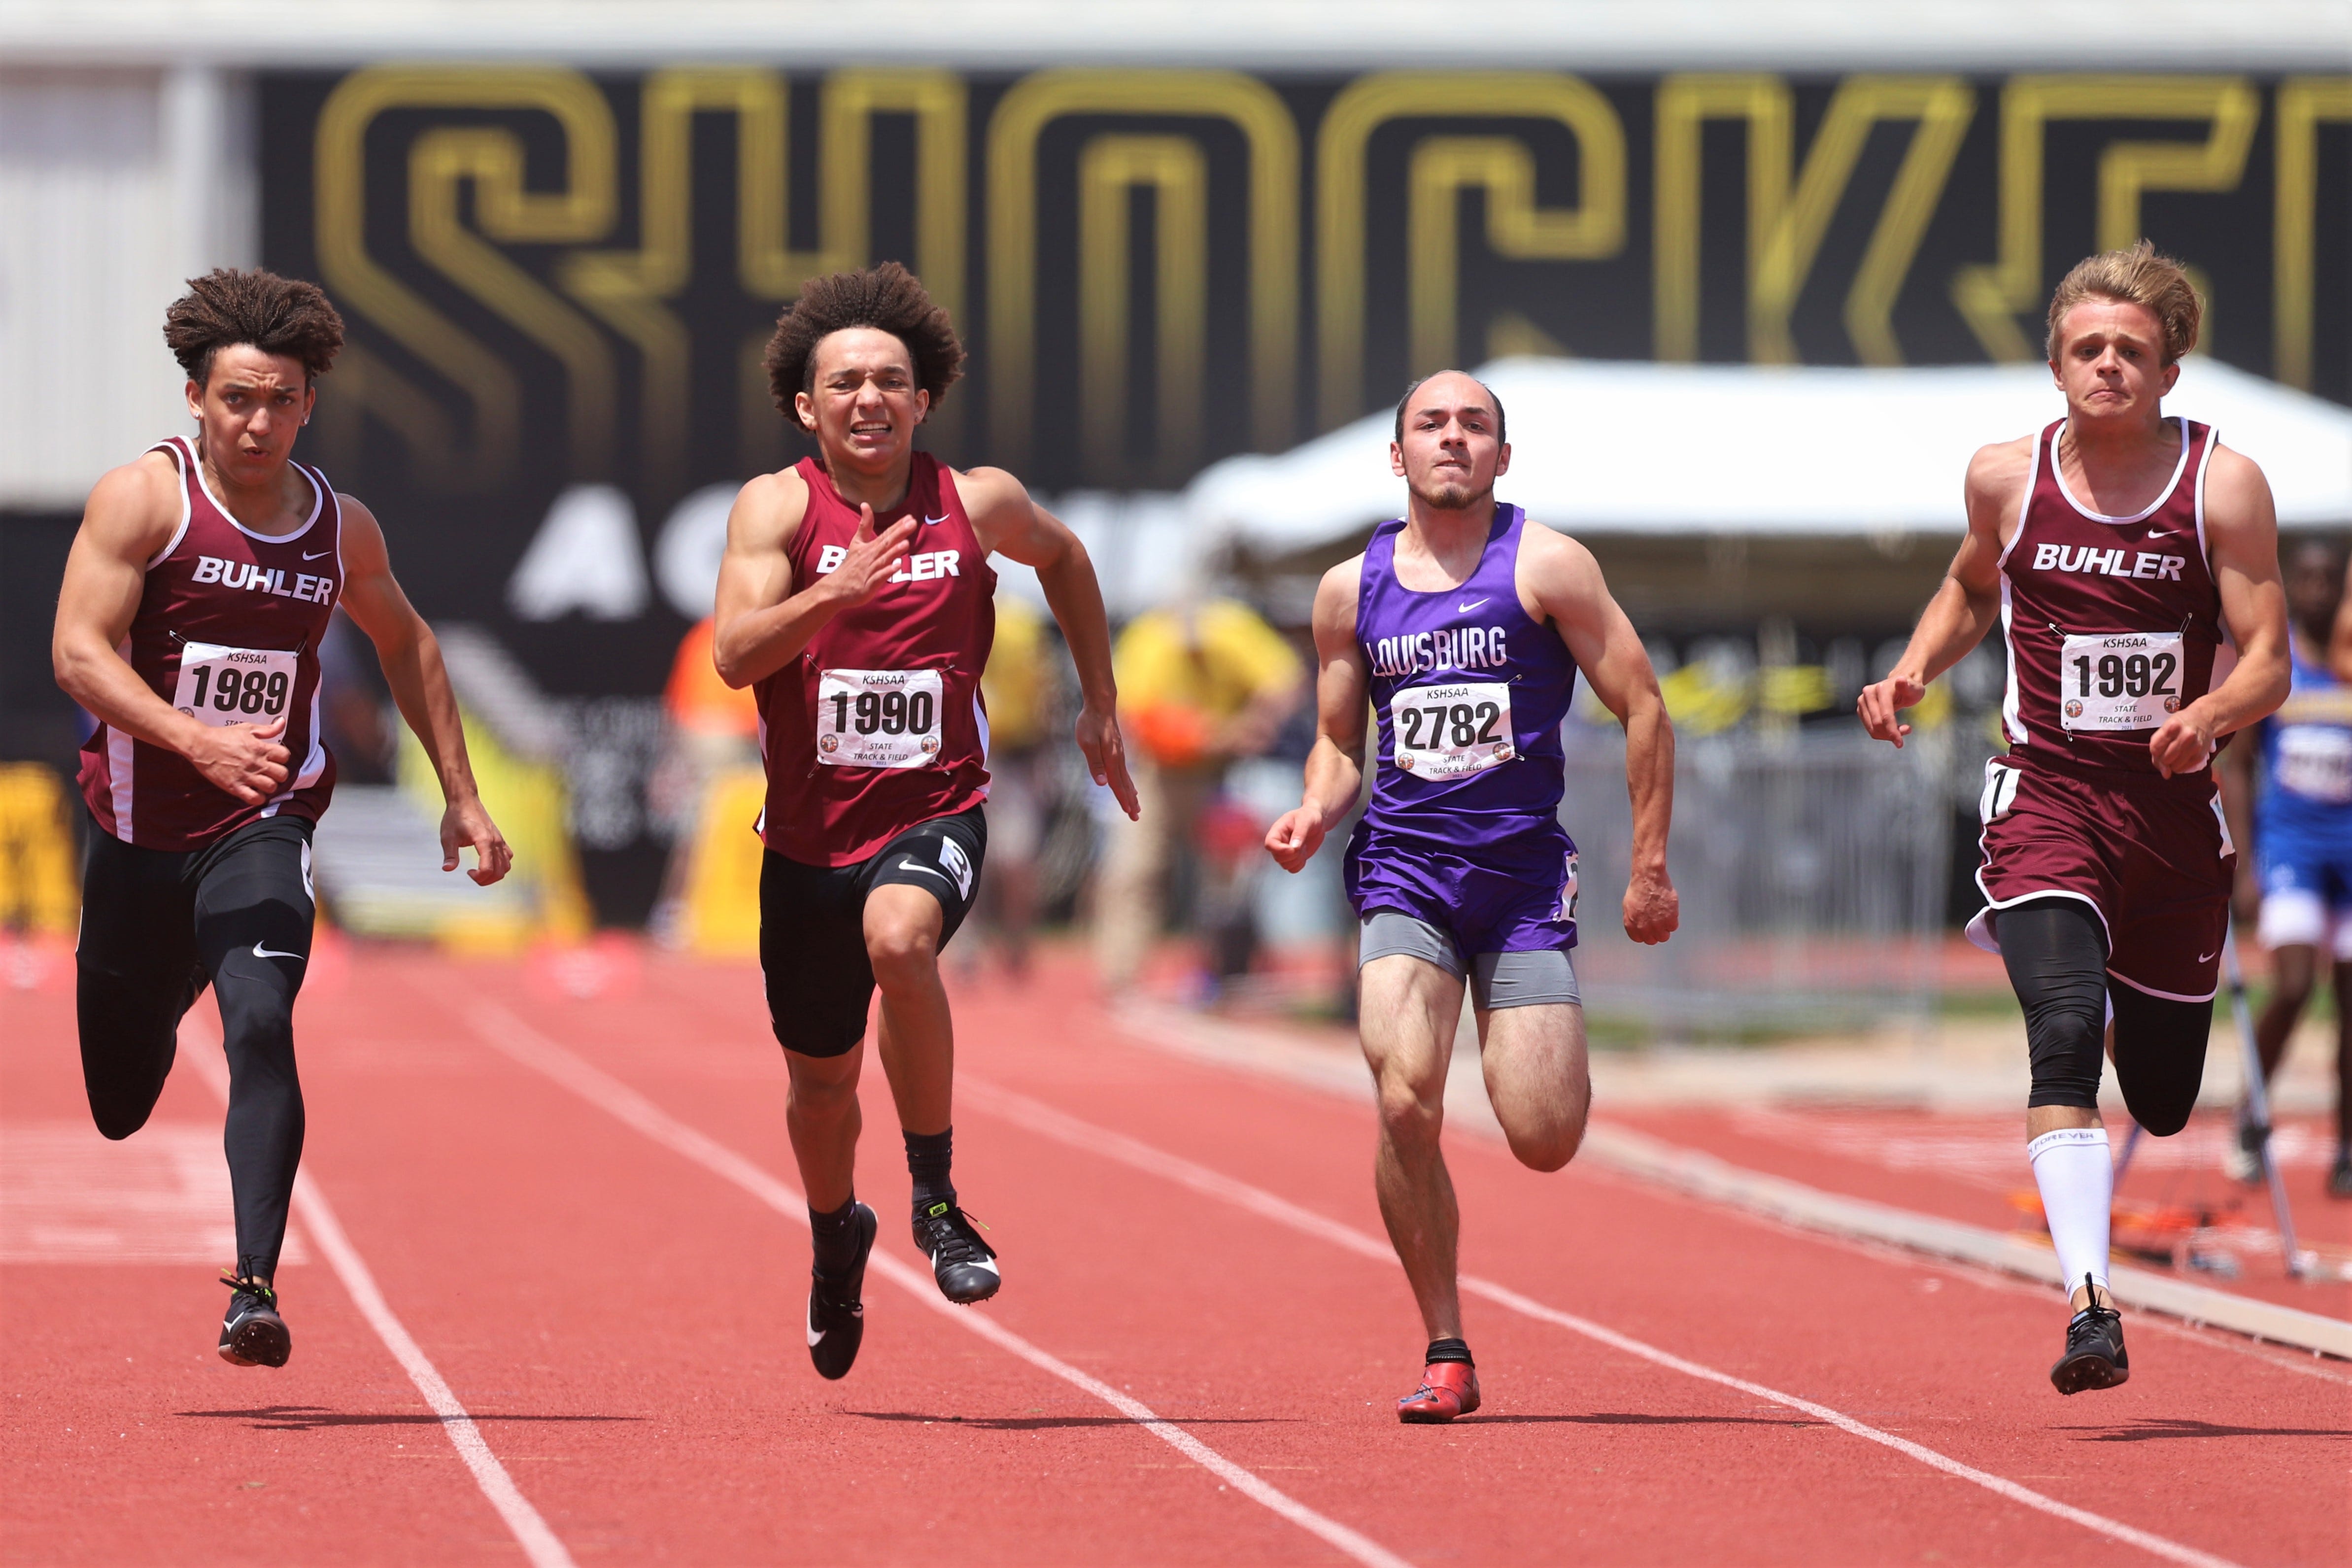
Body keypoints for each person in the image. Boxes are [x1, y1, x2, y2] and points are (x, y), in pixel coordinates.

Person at [51, 269, 512, 1368]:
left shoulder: (338, 526)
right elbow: (77, 651)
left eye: (283, 402)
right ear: (197, 399)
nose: (260, 423)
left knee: (262, 1022)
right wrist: (194, 736)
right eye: (238, 400)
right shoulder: (145, 501)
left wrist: (461, 790)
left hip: (263, 818)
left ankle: (252, 1286)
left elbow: (408, 643)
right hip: (136, 832)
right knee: (118, 1100)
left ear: (311, 405)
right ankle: (163, 984)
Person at [1859, 242, 2289, 1395]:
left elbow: (2268, 660)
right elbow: (1965, 583)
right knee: (2057, 1019)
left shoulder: (2221, 484)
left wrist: (2206, 713)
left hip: (2166, 818)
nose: (2106, 367)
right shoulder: (2005, 477)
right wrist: (1909, 671)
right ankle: (2088, 1302)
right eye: (2085, 348)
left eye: (2129, 352)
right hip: (2042, 794)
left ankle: (2124, 1016)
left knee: (2155, 1086)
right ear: (2054, 365)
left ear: (2166, 371)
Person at [712, 262, 1137, 1381]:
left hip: (935, 806)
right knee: (816, 1087)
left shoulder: (975, 501)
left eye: (889, 381)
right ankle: (831, 1234)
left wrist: (1099, 703)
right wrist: (830, 595)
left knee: (900, 939)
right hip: (805, 839)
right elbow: (729, 654)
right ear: (806, 405)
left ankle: (937, 1197)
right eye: (844, 382)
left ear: (923, 399)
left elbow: (1070, 562)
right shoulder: (775, 507)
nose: (868, 399)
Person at [1263, 369, 1678, 1423]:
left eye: (1474, 424)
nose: (1453, 438)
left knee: (1543, 1135)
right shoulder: (1346, 591)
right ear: (1396, 456)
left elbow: (1642, 706)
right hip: (1404, 870)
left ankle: (1525, 1068)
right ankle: (1445, 1341)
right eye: (1431, 424)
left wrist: (1646, 866)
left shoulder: (1546, 565)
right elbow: (1335, 740)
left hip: (1521, 879)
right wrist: (1316, 808)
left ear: (1502, 454)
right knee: (1403, 1093)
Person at [2221, 540, 2352, 1196]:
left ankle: (2347, 1146)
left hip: (2350, 848)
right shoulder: (2279, 664)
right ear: (2291, 585)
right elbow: (2237, 764)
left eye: (2332, 577)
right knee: (2296, 984)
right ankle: (2251, 1110)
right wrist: (2243, 863)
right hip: (2293, 846)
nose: (2320, 588)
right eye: (2307, 577)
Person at [1096, 593, 1304, 992]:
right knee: (1135, 872)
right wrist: (1225, 733)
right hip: (1159, 775)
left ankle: (1223, 970)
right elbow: (1148, 725)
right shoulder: (1148, 640)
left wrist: (1259, 720)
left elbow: (1287, 680)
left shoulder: (1233, 630)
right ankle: (1120, 975)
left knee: (1225, 881)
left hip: (1221, 776)